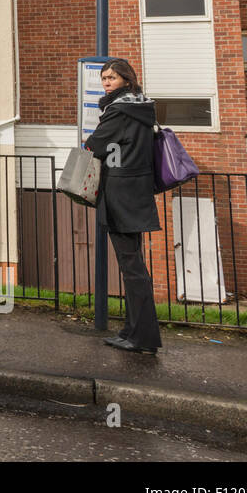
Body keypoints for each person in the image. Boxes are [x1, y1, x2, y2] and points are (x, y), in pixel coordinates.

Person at [83, 58, 162, 354]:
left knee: (132, 268)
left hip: (121, 194)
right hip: (138, 191)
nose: (106, 82)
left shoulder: (118, 110)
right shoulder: (142, 108)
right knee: (134, 265)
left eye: (112, 78)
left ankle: (142, 338)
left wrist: (88, 142)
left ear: (126, 81)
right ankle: (133, 330)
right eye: (104, 78)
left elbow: (95, 145)